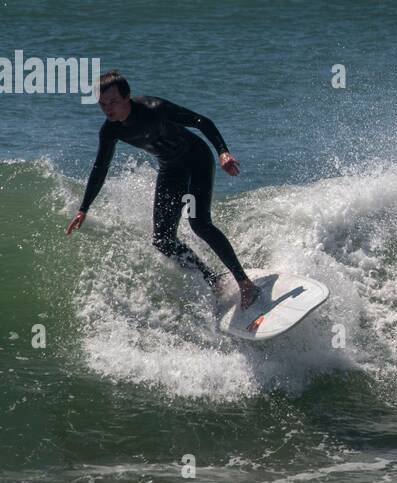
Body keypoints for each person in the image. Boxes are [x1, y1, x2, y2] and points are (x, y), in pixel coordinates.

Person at [65, 70, 261, 310]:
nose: (108, 108)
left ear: (127, 97)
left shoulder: (153, 108)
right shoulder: (110, 130)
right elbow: (100, 168)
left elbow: (201, 121)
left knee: (199, 224)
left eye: (113, 101)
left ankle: (245, 283)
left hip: (196, 160)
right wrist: (83, 208)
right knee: (163, 240)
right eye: (102, 104)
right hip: (171, 169)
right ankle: (214, 281)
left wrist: (223, 151)